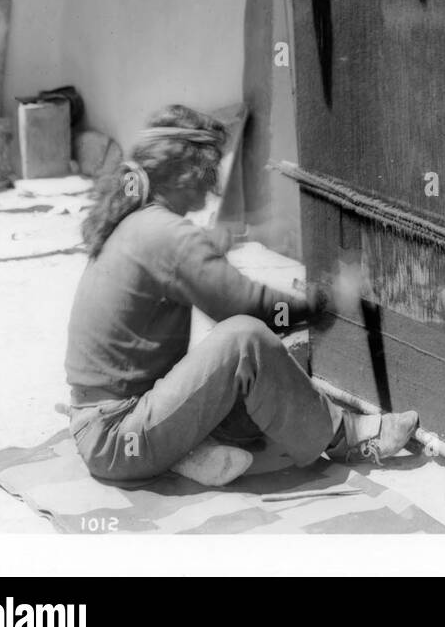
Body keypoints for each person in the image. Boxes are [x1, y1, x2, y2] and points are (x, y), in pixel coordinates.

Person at [65, 104, 418, 487]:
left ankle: (187, 450)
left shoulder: (140, 224)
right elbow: (247, 308)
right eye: (210, 166)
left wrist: (210, 255)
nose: (214, 181)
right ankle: (347, 438)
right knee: (246, 339)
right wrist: (325, 303)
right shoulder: (167, 235)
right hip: (119, 437)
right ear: (186, 171)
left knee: (255, 391)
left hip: (106, 422)